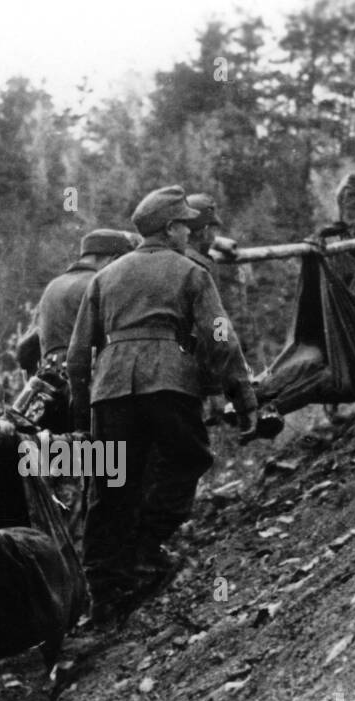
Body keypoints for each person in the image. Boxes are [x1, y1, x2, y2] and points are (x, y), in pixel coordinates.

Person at [67, 185, 249, 625]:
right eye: (187, 224)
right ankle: (145, 550)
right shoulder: (190, 272)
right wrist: (241, 392)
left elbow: (77, 356)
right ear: (170, 229)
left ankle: (105, 594)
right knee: (189, 456)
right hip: (169, 381)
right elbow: (219, 335)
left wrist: (81, 417)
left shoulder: (103, 277)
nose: (191, 232)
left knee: (108, 488)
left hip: (110, 390)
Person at [183, 193, 260, 427]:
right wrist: (218, 388)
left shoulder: (187, 258)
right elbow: (215, 333)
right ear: (205, 230)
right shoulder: (196, 268)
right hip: (190, 372)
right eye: (213, 230)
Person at [17, 229, 137, 377]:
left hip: (53, 381)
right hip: (91, 381)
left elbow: (25, 350)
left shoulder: (53, 287)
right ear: (113, 260)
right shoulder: (102, 286)